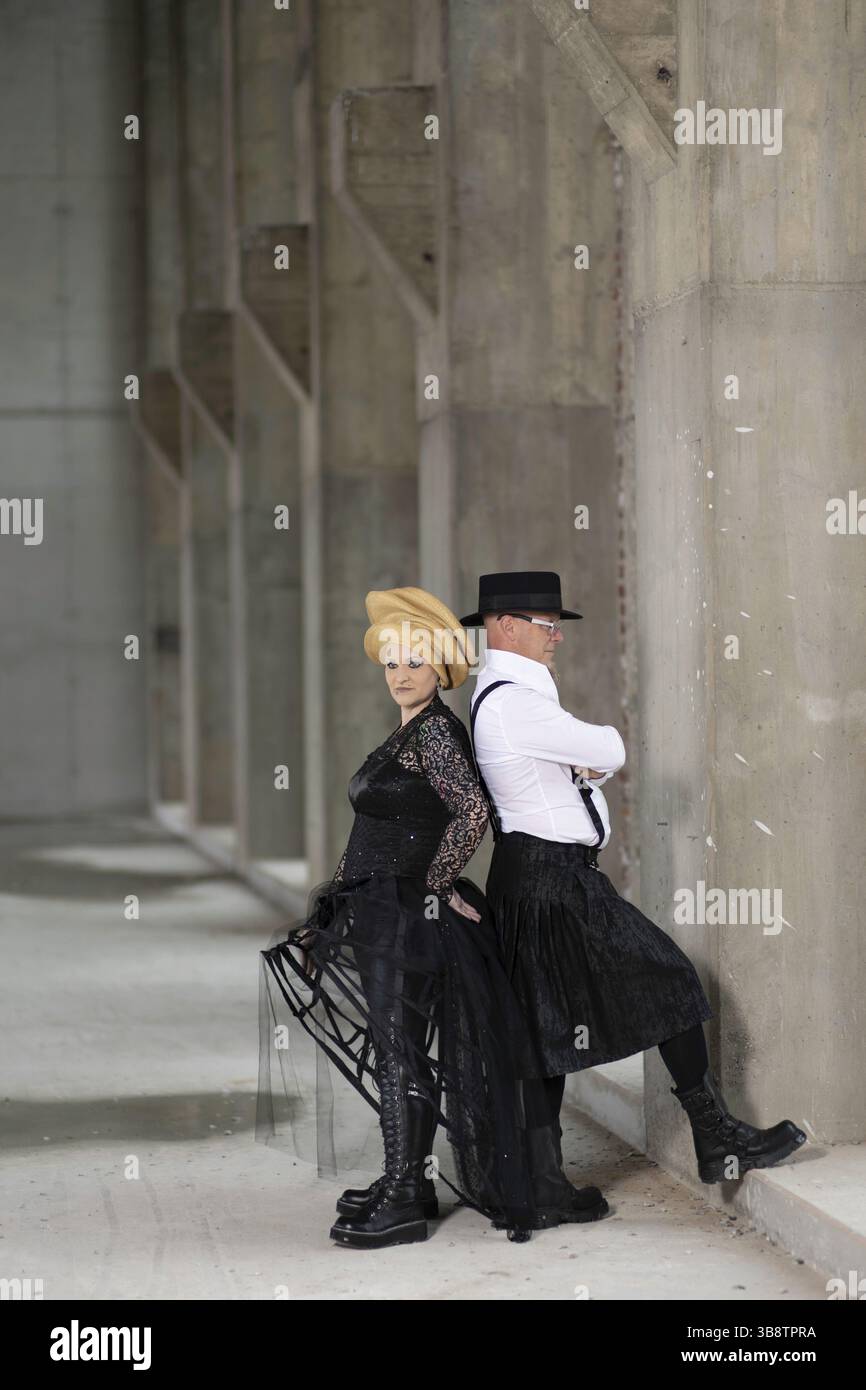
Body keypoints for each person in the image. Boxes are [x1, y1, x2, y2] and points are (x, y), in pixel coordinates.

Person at [257, 586, 604, 1250]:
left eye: (414, 660)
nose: (400, 672)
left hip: (405, 915)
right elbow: (374, 829)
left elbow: (472, 811)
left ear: (440, 662)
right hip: (378, 909)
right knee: (399, 1051)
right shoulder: (408, 730)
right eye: (391, 661)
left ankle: (404, 1197)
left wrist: (433, 884)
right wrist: (333, 904)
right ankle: (406, 1185)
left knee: (401, 1055)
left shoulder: (438, 732)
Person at [460, 571, 807, 1195]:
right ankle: (713, 1136)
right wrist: (596, 752)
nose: (556, 639)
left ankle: (547, 1180)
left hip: (537, 874)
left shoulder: (510, 695)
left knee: (547, 1025)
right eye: (546, 627)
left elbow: (574, 766)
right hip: (549, 878)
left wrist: (580, 765)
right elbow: (609, 747)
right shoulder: (514, 700)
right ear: (505, 627)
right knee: (666, 978)